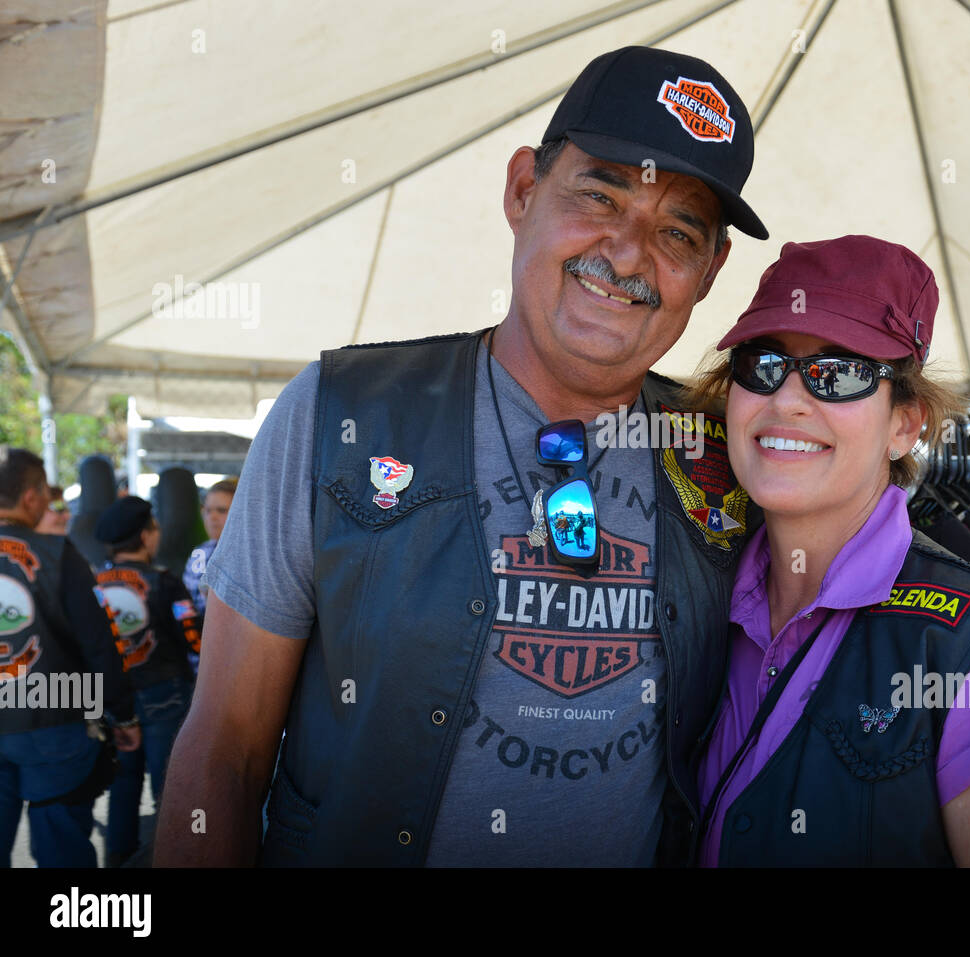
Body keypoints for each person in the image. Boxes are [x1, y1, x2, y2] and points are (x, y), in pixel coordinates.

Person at [156, 45, 768, 866]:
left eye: (677, 232)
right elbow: (225, 743)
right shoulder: (343, 411)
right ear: (523, 189)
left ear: (710, 269)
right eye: (599, 194)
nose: (627, 254)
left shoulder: (722, 458)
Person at [692, 236, 970, 865]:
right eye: (762, 364)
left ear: (904, 425)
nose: (787, 399)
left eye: (839, 372)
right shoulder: (694, 589)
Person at [0, 447, 140, 868]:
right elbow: (100, 644)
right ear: (32, 496)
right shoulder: (61, 554)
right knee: (62, 849)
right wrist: (123, 716)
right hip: (57, 719)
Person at [93, 496, 201, 866]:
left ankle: (118, 858)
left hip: (113, 699)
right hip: (165, 694)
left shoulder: (93, 584)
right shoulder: (166, 583)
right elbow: (195, 638)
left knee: (123, 784)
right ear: (145, 535)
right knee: (167, 787)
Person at [181, 477, 236, 669]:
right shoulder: (199, 553)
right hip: (199, 659)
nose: (212, 518)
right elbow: (186, 606)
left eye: (221, 510)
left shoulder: (254, 556)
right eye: (207, 510)